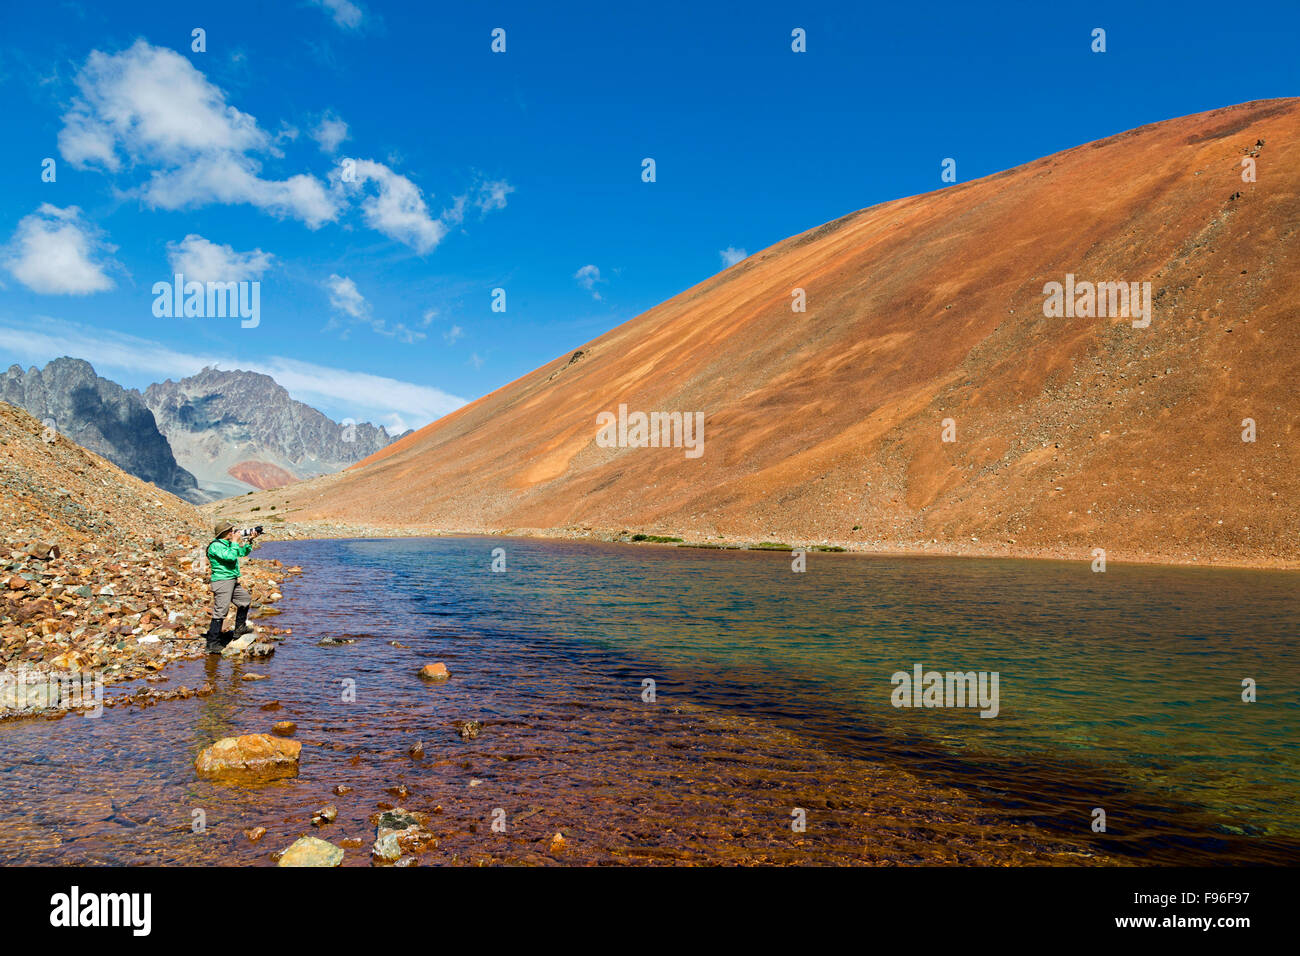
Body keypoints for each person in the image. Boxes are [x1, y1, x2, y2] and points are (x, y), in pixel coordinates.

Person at [203, 521, 261, 654]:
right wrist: (235, 541)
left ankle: (239, 629)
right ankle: (212, 644)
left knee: (245, 600)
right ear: (223, 533)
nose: (233, 532)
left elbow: (241, 553)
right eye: (230, 531)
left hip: (232, 579)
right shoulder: (215, 546)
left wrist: (250, 541)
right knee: (221, 610)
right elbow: (229, 557)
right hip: (222, 581)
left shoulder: (227, 544)